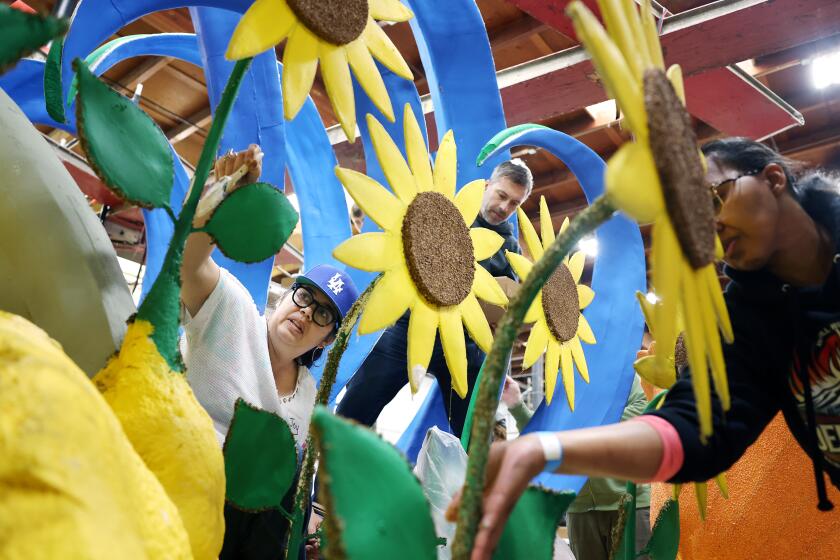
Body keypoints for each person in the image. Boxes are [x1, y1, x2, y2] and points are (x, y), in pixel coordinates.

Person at [447, 138, 840, 559]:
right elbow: (696, 430)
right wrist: (547, 449)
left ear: (773, 180)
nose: (711, 227)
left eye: (714, 198)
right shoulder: (750, 320)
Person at [180, 145, 360, 560]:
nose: (304, 313)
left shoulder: (309, 395)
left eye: (322, 315)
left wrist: (307, 527)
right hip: (180, 480)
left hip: (240, 529)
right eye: (303, 296)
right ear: (284, 295)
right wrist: (220, 196)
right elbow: (188, 264)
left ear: (326, 340)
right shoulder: (233, 309)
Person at [335, 159, 534, 437]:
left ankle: (473, 476)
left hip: (462, 342)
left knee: (475, 431)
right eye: (502, 195)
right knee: (354, 411)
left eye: (514, 203)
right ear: (487, 185)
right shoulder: (447, 209)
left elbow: (503, 307)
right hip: (408, 326)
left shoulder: (509, 247)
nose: (504, 207)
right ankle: (323, 472)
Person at [501, 375, 651, 560]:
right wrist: (516, 404)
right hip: (581, 510)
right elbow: (544, 434)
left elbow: (642, 413)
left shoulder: (623, 371)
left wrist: (577, 427)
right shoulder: (563, 380)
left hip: (629, 503)